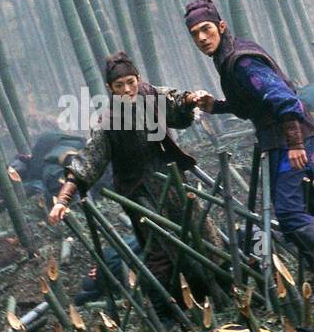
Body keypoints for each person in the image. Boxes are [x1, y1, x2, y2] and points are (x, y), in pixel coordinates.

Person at [184, 0, 314, 297]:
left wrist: (294, 143)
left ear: (221, 26)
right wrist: (215, 107)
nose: (202, 38)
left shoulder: (241, 61)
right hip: (285, 140)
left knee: (292, 211)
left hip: (293, 141)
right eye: (195, 34)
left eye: (206, 29)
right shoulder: (229, 58)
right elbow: (251, 105)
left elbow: (283, 98)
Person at [48, 51, 214, 314]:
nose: (127, 90)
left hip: (172, 180)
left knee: (200, 235)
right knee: (161, 253)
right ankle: (171, 312)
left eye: (131, 82)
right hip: (139, 192)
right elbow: (89, 160)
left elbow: (179, 106)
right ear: (110, 89)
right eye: (119, 85)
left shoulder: (153, 96)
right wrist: (63, 198)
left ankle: (218, 291)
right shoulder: (109, 120)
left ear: (138, 78)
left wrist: (191, 100)